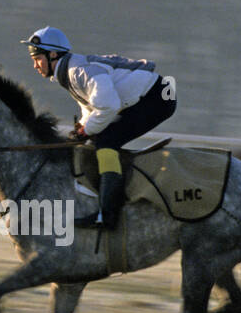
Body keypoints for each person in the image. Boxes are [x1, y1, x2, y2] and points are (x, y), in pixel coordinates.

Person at [24, 26, 174, 230]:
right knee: (98, 138)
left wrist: (85, 130)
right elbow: (93, 105)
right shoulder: (70, 72)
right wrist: (81, 129)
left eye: (37, 58)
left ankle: (108, 214)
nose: (35, 65)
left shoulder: (77, 71)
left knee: (106, 142)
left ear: (52, 54)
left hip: (159, 97)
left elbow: (108, 105)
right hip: (151, 96)